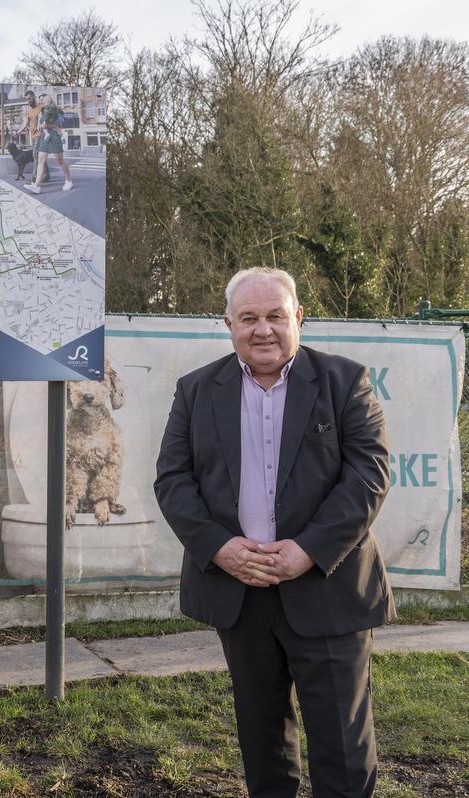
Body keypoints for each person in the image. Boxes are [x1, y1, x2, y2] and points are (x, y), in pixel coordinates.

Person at [154, 267, 393, 798]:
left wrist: (308, 551)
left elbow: (368, 476)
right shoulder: (196, 391)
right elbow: (173, 480)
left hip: (329, 591)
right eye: (249, 318)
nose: (263, 329)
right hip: (241, 593)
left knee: (344, 754)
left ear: (299, 318)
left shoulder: (345, 381)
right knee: (263, 746)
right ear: (228, 324)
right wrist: (220, 549)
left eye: (275, 316)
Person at [24, 94, 73, 194]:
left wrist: (46, 125)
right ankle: (37, 186)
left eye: (43, 99)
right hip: (44, 137)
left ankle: (68, 181)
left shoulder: (55, 110)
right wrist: (42, 126)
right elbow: (42, 124)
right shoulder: (42, 111)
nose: (41, 101)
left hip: (54, 136)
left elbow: (58, 123)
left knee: (60, 160)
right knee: (41, 160)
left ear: (49, 99)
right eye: (40, 100)